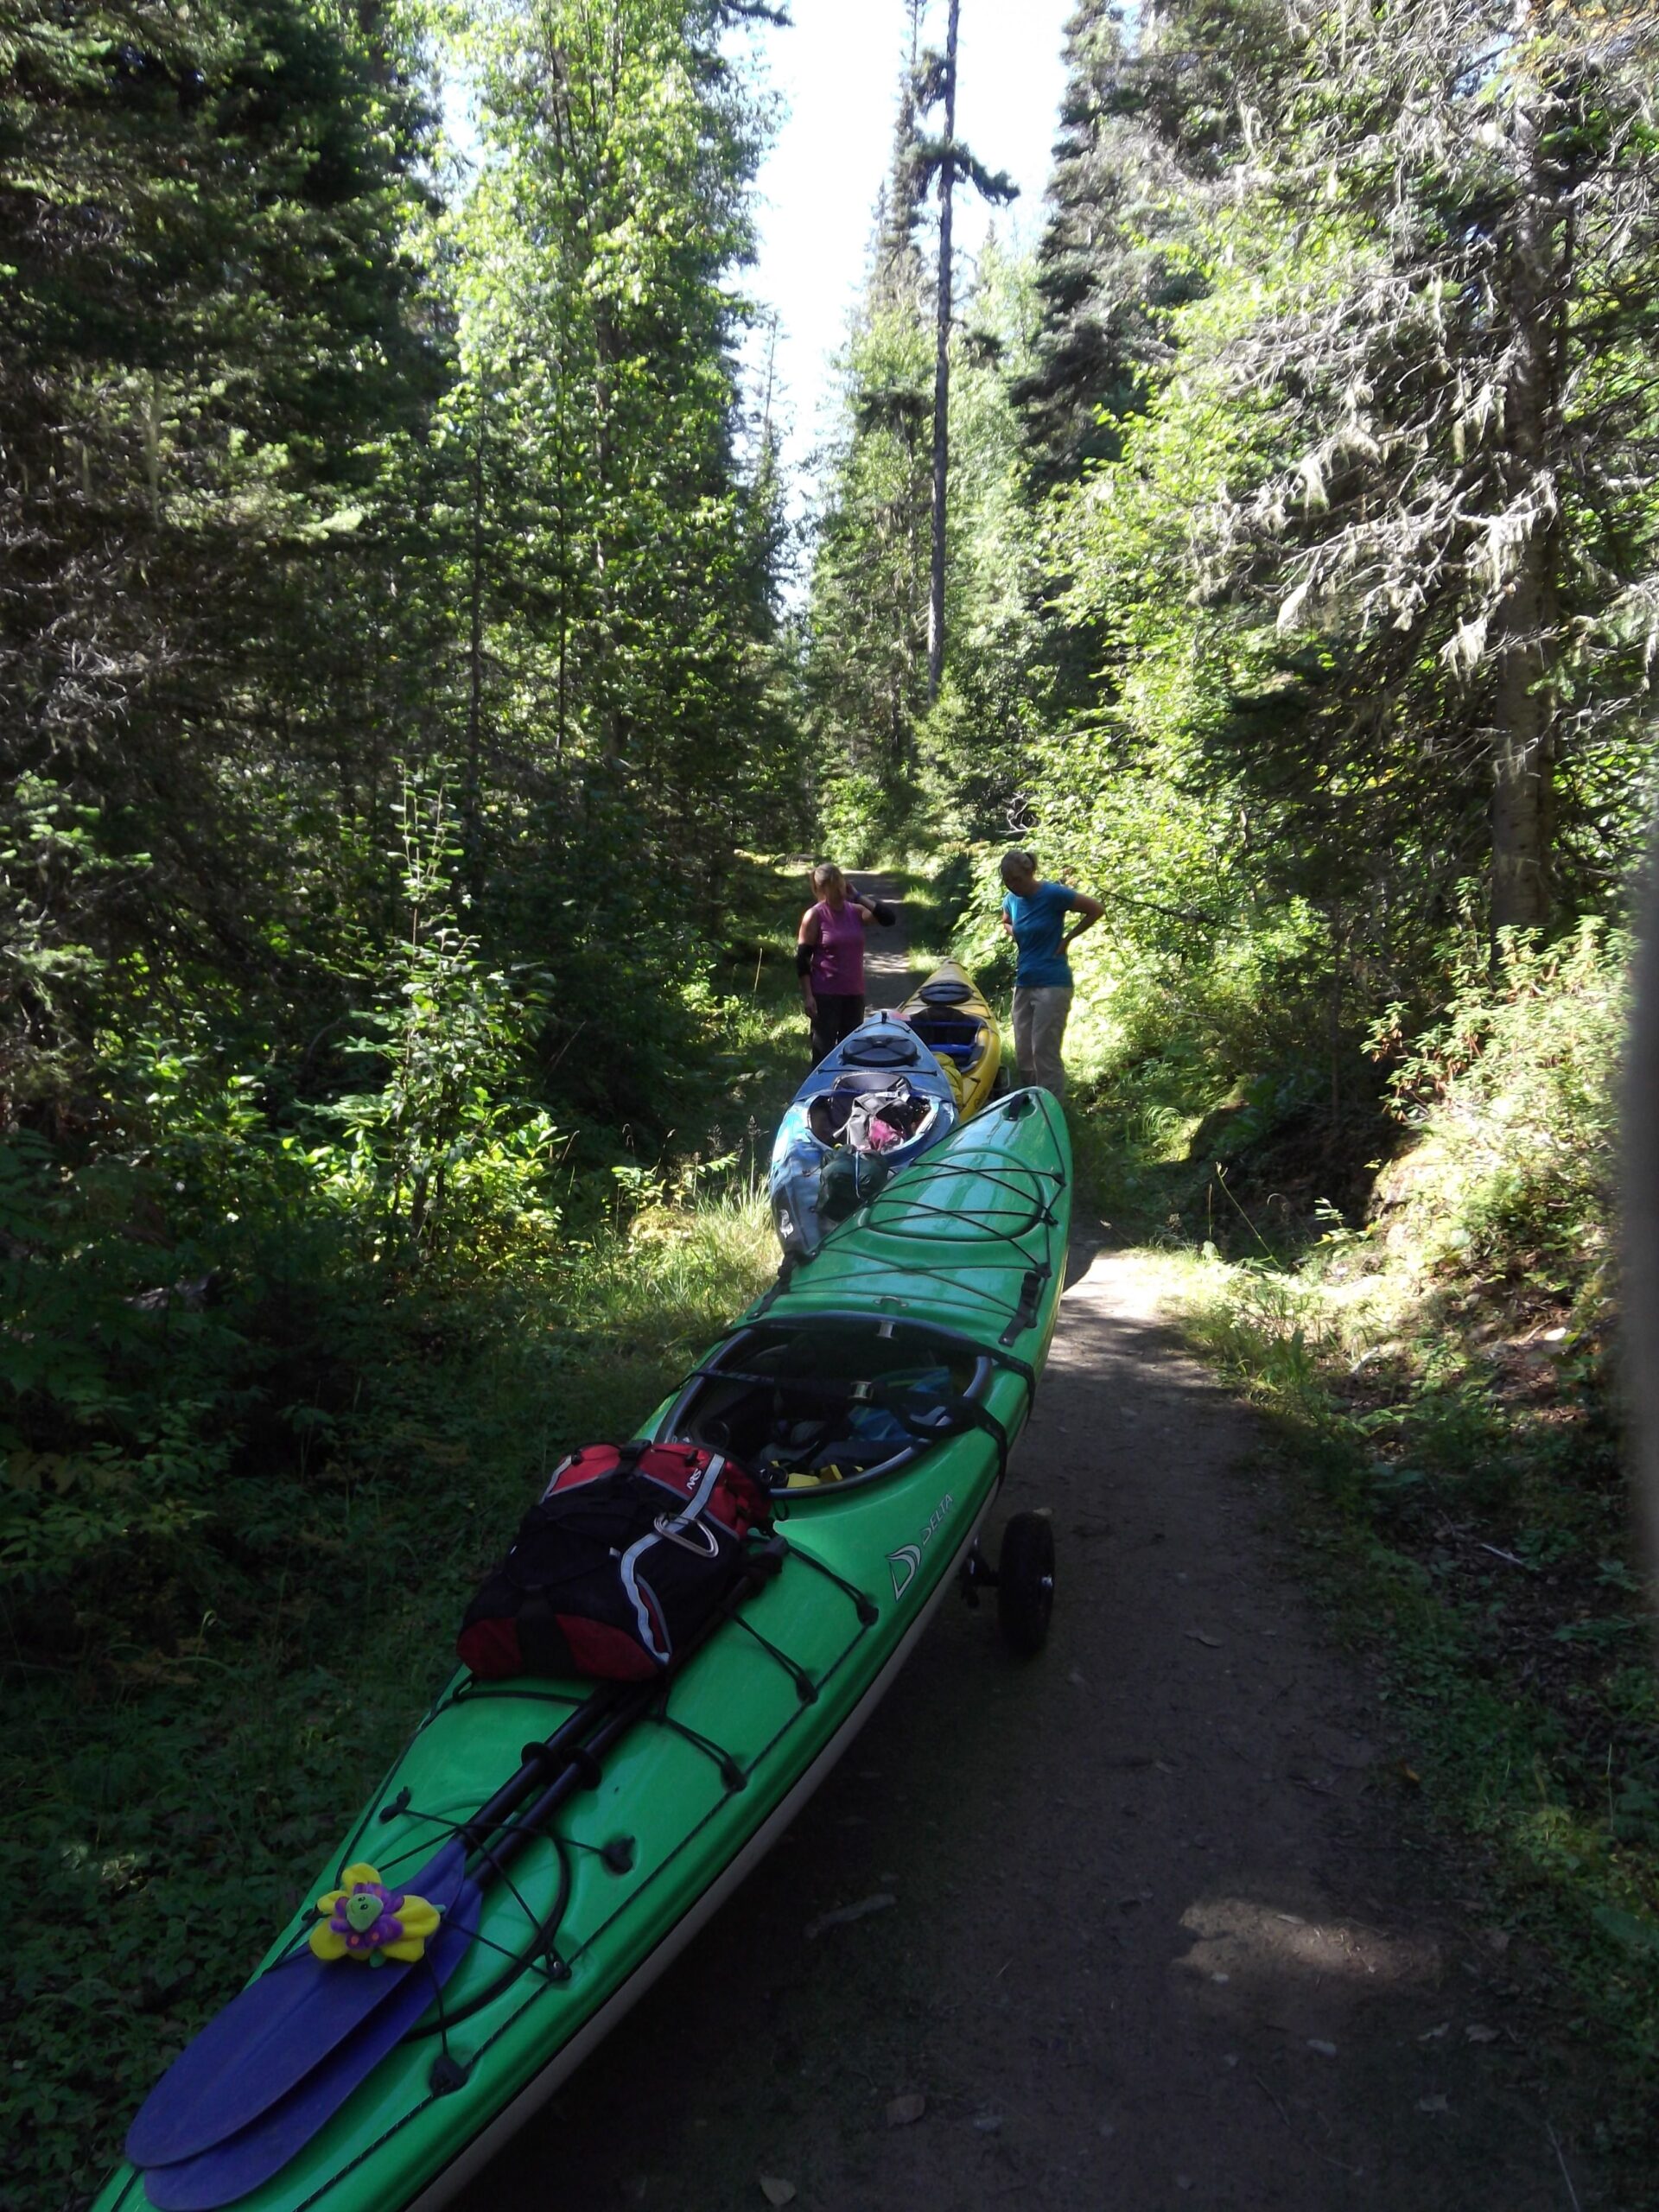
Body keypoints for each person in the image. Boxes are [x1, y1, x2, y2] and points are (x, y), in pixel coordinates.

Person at [998, 849, 1103, 1099]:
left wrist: (1067, 939)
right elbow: (1006, 921)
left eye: (1016, 879)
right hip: (1024, 982)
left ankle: (1051, 1113)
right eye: (1007, 880)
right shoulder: (1011, 899)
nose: (1012, 885)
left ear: (1030, 872)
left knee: (1044, 1052)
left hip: (1053, 983)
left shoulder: (1053, 894)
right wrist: (1018, 934)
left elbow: (1095, 909)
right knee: (1024, 1053)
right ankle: (1032, 1104)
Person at [798, 862, 895, 1065]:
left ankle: (846, 1095)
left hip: (854, 994)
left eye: (842, 886)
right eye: (835, 889)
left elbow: (888, 918)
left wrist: (859, 896)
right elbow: (802, 959)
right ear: (822, 890)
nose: (840, 892)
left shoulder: (856, 911)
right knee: (823, 1056)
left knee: (851, 1054)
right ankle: (820, 1095)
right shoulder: (815, 915)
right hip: (825, 995)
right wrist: (808, 996)